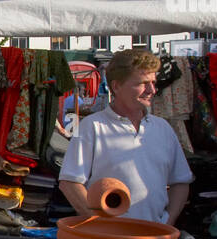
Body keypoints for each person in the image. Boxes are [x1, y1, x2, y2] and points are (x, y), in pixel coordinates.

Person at [59, 49, 194, 224]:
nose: (151, 90)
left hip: (153, 238)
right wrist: (99, 224)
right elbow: (69, 182)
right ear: (116, 86)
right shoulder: (92, 126)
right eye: (143, 83)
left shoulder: (163, 128)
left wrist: (167, 221)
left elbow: (181, 181)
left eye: (153, 82)